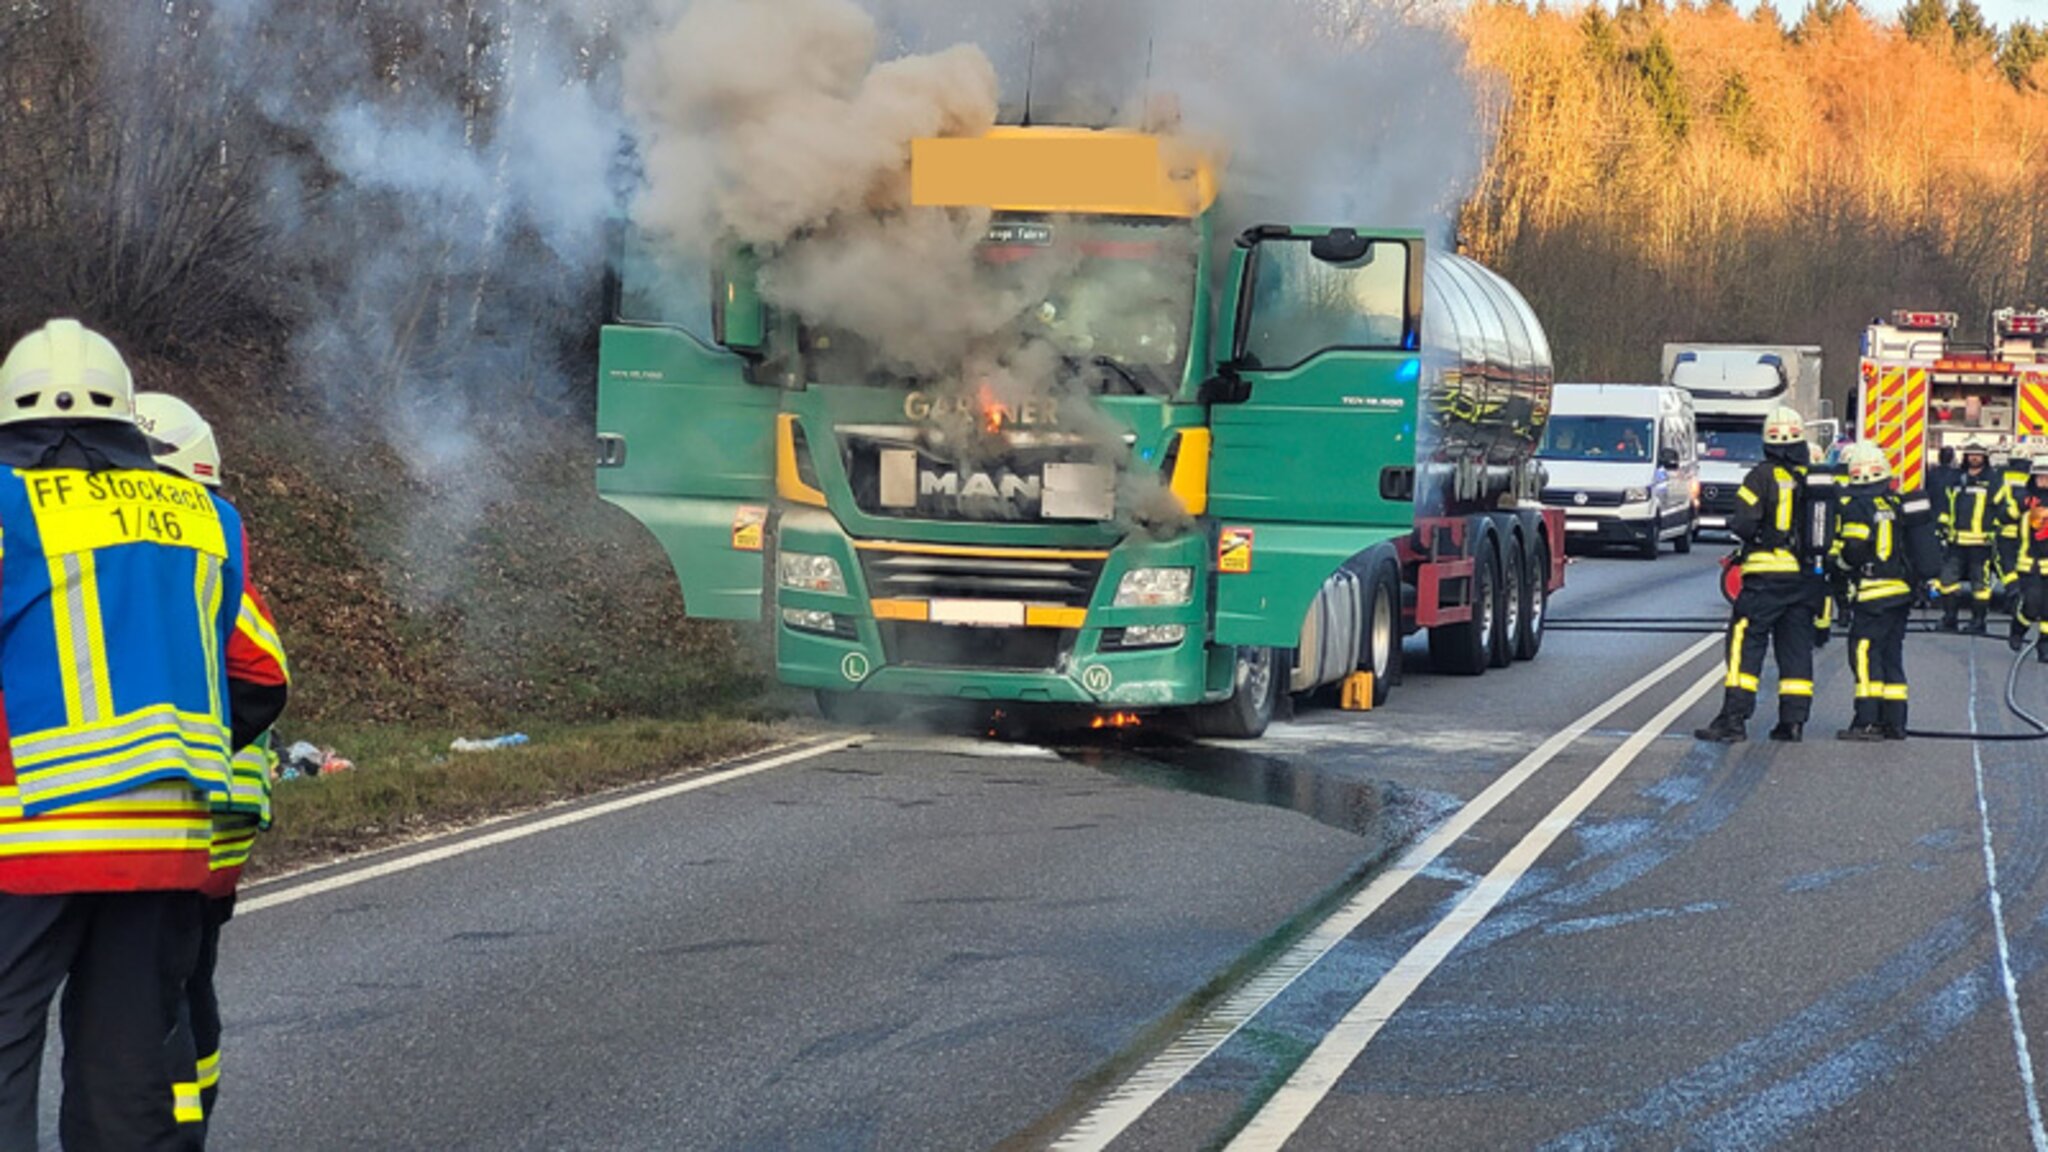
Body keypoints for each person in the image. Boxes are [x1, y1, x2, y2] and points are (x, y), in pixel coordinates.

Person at [0, 321, 287, 1151]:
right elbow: (261, 678)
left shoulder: (9, 504)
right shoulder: (209, 517)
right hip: (165, 848)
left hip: (27, 839)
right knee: (126, 1079)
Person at [134, 391, 290, 1125]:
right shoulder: (214, 545)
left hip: (169, 816)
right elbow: (262, 673)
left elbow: (260, 675)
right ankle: (186, 1118)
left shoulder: (159, 560)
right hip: (220, 815)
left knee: (153, 989)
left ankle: (169, 1123)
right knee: (188, 980)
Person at [1697, 406, 1821, 743]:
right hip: (1805, 580)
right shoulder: (1815, 478)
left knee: (1745, 645)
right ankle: (1792, 723)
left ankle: (1733, 720)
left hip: (1765, 579)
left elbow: (1744, 522)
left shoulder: (1759, 477)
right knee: (1796, 651)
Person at [1831, 445, 1915, 741]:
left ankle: (1866, 721)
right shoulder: (1894, 502)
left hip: (1872, 593)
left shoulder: (1857, 505)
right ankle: (1895, 721)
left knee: (1864, 653)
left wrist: (1837, 563)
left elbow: (1854, 548)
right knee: (1891, 654)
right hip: (1900, 592)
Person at [1937, 438, 2002, 634]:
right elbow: (1947, 504)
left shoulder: (1993, 479)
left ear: (1985, 457)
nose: (1974, 458)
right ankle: (1950, 619)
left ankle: (1978, 622)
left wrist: (1994, 532)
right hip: (1956, 540)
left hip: (1980, 542)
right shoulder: (1957, 478)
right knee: (1947, 581)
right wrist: (1942, 526)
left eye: (1978, 455)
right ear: (1965, 457)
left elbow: (2001, 508)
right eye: (1971, 454)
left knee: (1979, 584)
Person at [2008, 456, 2048, 662]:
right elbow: (2007, 516)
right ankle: (2018, 629)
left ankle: (2044, 646)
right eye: (2041, 477)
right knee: (2032, 605)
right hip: (2029, 563)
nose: (2044, 480)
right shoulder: (2025, 498)